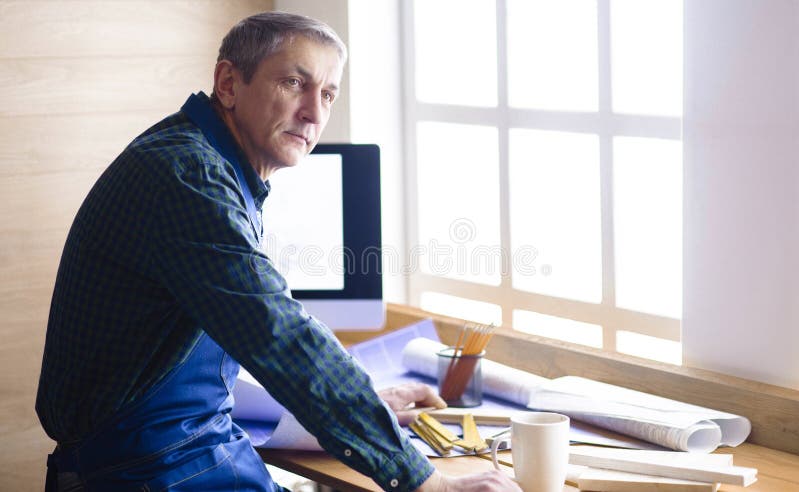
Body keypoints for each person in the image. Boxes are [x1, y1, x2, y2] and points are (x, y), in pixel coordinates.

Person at [36, 11, 521, 492]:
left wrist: (363, 407)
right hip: (144, 471)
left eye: (327, 93)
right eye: (294, 82)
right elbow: (282, 337)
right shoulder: (188, 176)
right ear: (228, 83)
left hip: (189, 452)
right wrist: (425, 482)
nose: (314, 112)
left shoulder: (209, 160)